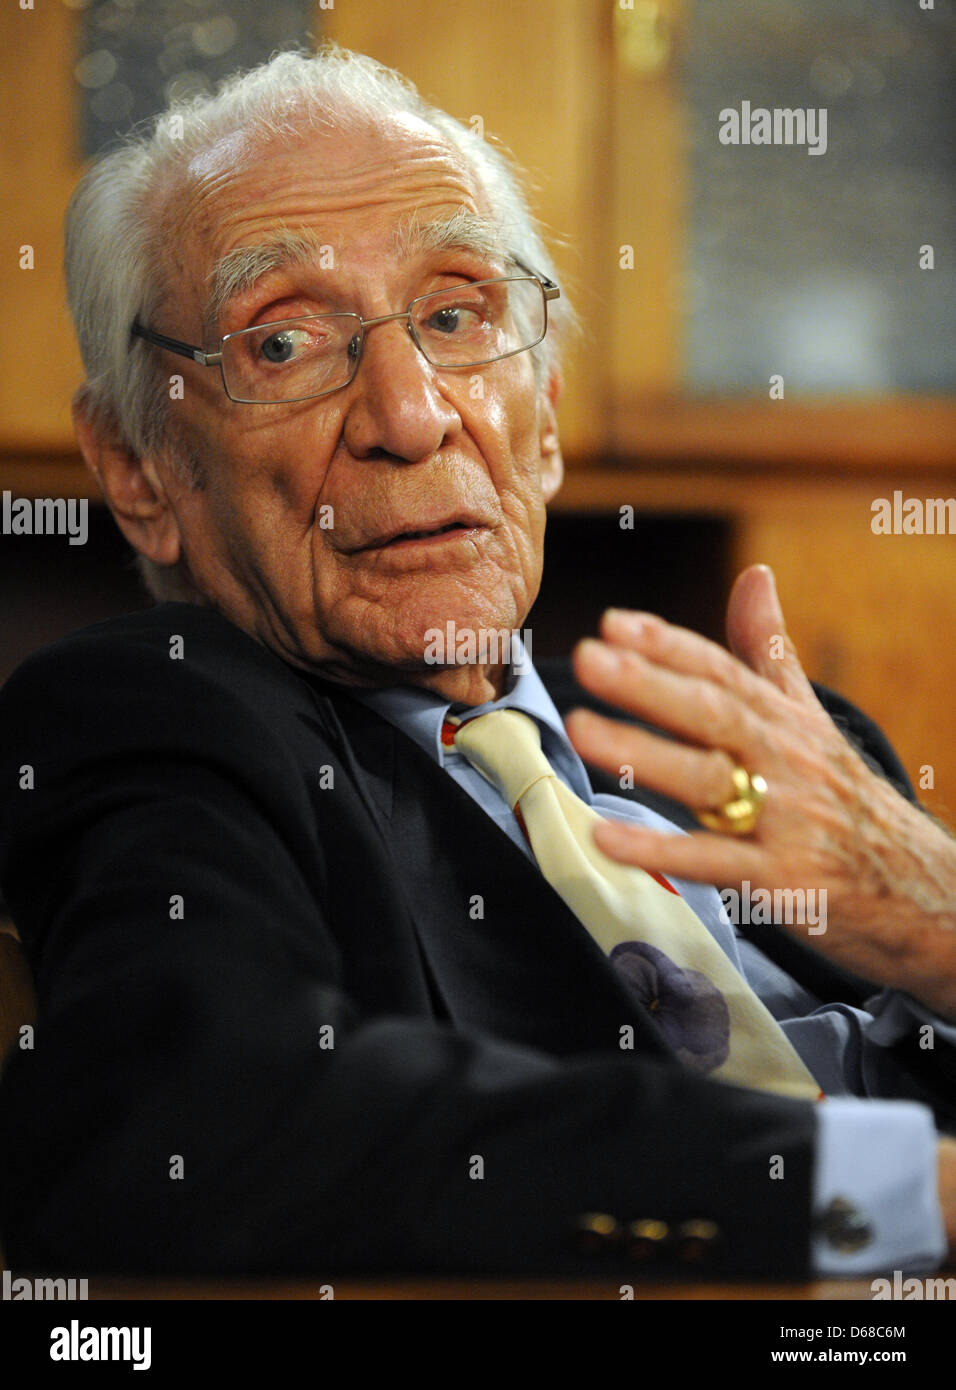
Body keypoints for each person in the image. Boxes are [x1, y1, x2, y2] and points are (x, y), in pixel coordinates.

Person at [0, 45, 953, 1282]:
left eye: (454, 316)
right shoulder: (160, 725)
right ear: (136, 466)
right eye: (281, 343)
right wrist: (897, 1194)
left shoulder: (757, 739)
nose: (408, 413)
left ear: (544, 411)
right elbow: (210, 1111)